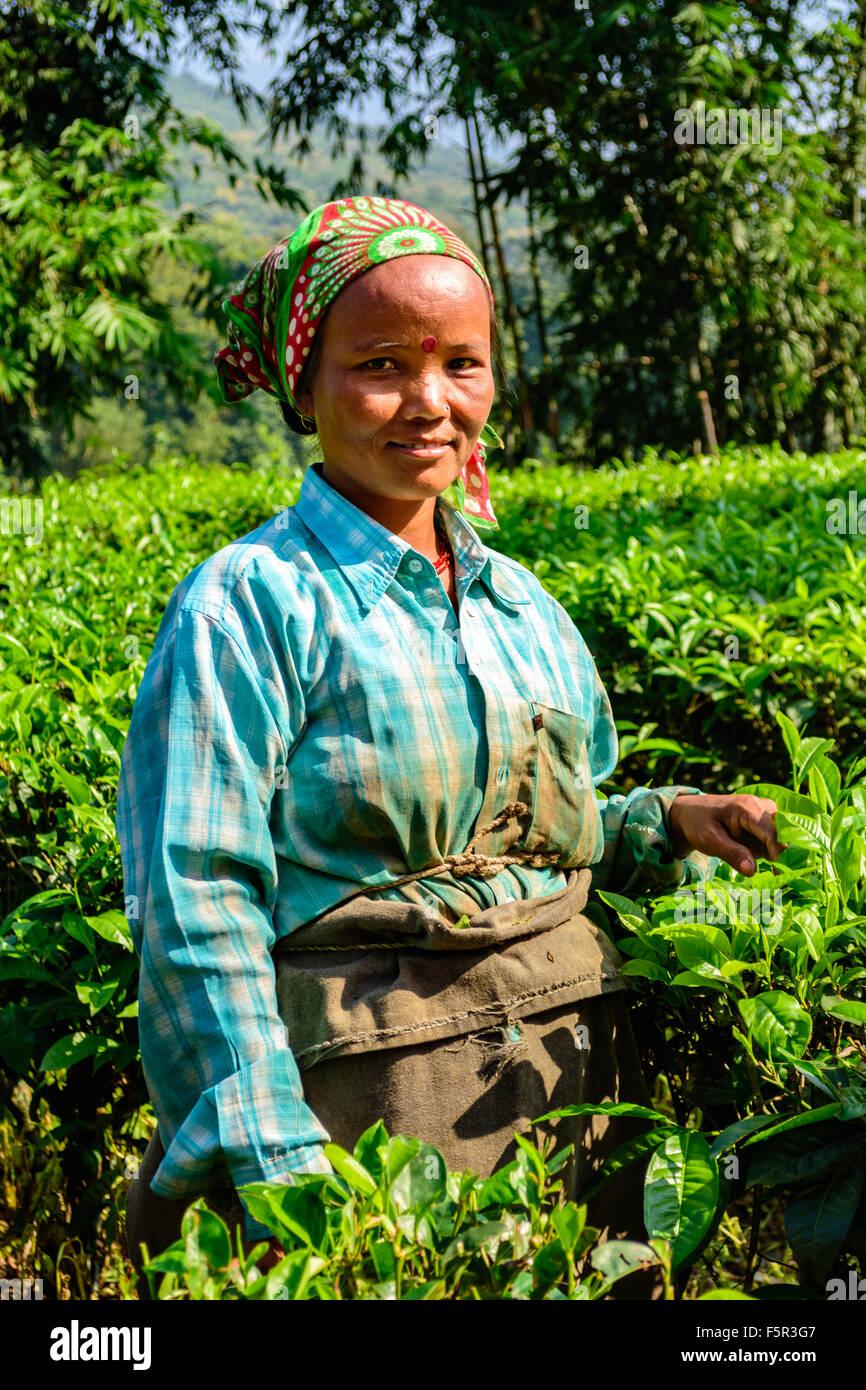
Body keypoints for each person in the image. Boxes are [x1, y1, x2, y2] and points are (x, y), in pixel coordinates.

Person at [117, 195, 784, 1297]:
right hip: (366, 1115)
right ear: (305, 384)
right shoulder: (247, 604)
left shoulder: (520, 602)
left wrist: (662, 820)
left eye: (461, 365)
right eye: (379, 364)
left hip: (569, 1101)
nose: (429, 402)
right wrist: (276, 1156)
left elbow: (555, 827)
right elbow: (196, 898)